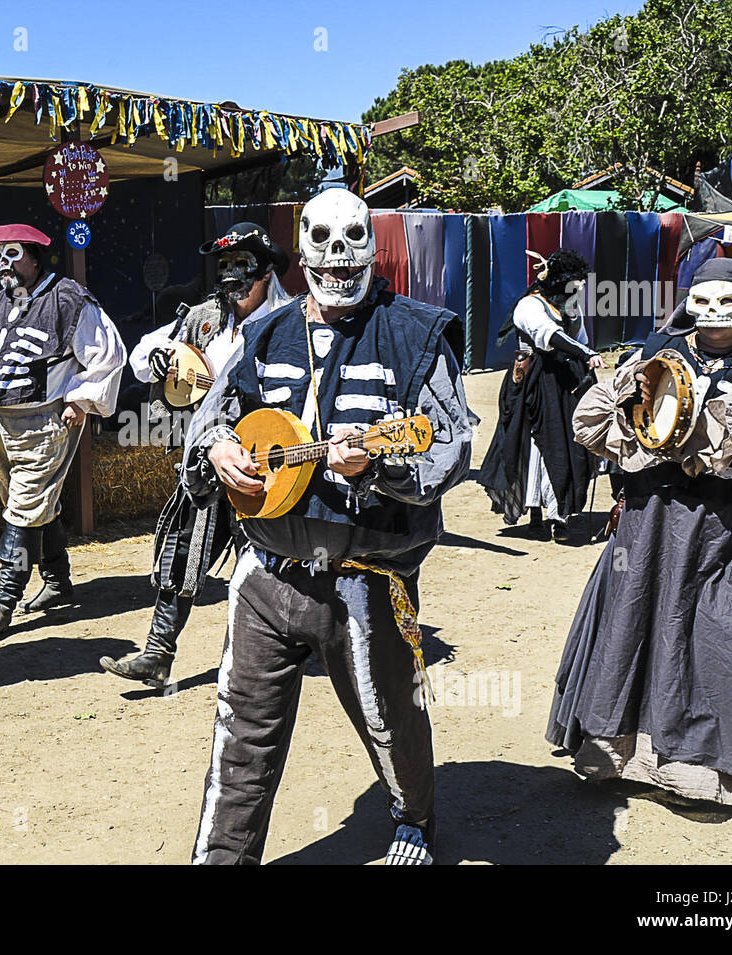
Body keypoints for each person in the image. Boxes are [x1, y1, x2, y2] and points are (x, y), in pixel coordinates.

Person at [181, 188, 473, 864]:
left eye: (353, 241)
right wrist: (219, 448)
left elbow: (451, 445)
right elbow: (211, 420)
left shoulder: (416, 332)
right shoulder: (263, 333)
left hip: (367, 576)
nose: (339, 260)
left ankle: (414, 817)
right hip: (267, 573)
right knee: (241, 733)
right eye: (323, 242)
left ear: (372, 243)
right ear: (302, 247)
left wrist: (379, 466)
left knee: (390, 718)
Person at [548, 258, 732, 807]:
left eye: (729, 301)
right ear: (687, 301)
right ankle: (620, 753)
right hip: (652, 521)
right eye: (703, 299)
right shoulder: (656, 356)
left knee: (725, 633)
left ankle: (706, 771)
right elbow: (605, 431)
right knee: (633, 621)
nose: (715, 314)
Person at [100, 221, 292, 688]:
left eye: (242, 265)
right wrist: (162, 358)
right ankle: (157, 654)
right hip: (207, 463)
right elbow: (144, 356)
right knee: (182, 551)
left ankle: (269, 659)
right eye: (224, 265)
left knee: (270, 565)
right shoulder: (204, 318)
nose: (230, 275)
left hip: (268, 465)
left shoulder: (293, 321)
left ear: (266, 271)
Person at [0, 224, 126, 638]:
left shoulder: (67, 299)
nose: (4, 264)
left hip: (44, 421)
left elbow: (108, 353)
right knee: (34, 504)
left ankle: (2, 602)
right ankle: (57, 582)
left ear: (34, 256)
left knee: (23, 508)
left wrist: (80, 400)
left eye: (12, 254)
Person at [476, 250, 604, 542]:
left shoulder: (570, 307)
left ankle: (559, 514)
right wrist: (585, 353)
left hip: (565, 383)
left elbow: (578, 338)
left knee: (566, 443)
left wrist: (585, 361)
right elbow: (548, 337)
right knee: (535, 443)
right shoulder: (530, 305)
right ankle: (536, 510)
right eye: (573, 282)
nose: (579, 288)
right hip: (534, 384)